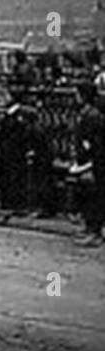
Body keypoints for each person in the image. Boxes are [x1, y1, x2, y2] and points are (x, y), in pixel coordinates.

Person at [71, 82, 105, 248]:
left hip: (92, 163)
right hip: (84, 161)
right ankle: (89, 227)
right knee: (87, 196)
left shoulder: (93, 116)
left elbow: (95, 143)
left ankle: (95, 231)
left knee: (94, 198)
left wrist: (91, 164)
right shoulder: (86, 114)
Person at [0, 91, 33, 212]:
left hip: (12, 152)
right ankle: (11, 203)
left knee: (11, 178)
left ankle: (12, 203)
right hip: (11, 151)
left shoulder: (15, 116)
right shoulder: (13, 115)